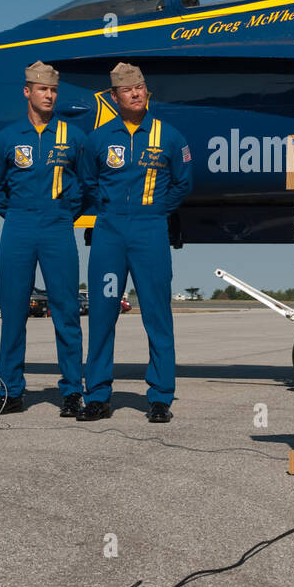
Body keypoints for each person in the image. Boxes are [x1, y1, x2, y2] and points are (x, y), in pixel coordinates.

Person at [76, 62, 192, 423]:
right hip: (110, 234)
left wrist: (157, 210)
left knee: (157, 315)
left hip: (150, 232)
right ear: (115, 96)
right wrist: (110, 209)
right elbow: (88, 181)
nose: (136, 93)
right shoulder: (98, 139)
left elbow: (182, 183)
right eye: (128, 90)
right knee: (103, 314)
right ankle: (97, 395)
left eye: (140, 87)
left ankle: (159, 397)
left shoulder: (170, 137)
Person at [0, 61, 83, 415]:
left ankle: (72, 391)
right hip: (18, 229)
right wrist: (14, 213)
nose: (49, 95)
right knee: (11, 313)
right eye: (43, 89)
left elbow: (86, 184)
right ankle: (11, 390)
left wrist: (65, 213)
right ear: (28, 92)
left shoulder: (73, 136)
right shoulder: (7, 138)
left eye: (53, 90)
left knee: (66, 311)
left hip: (58, 228)